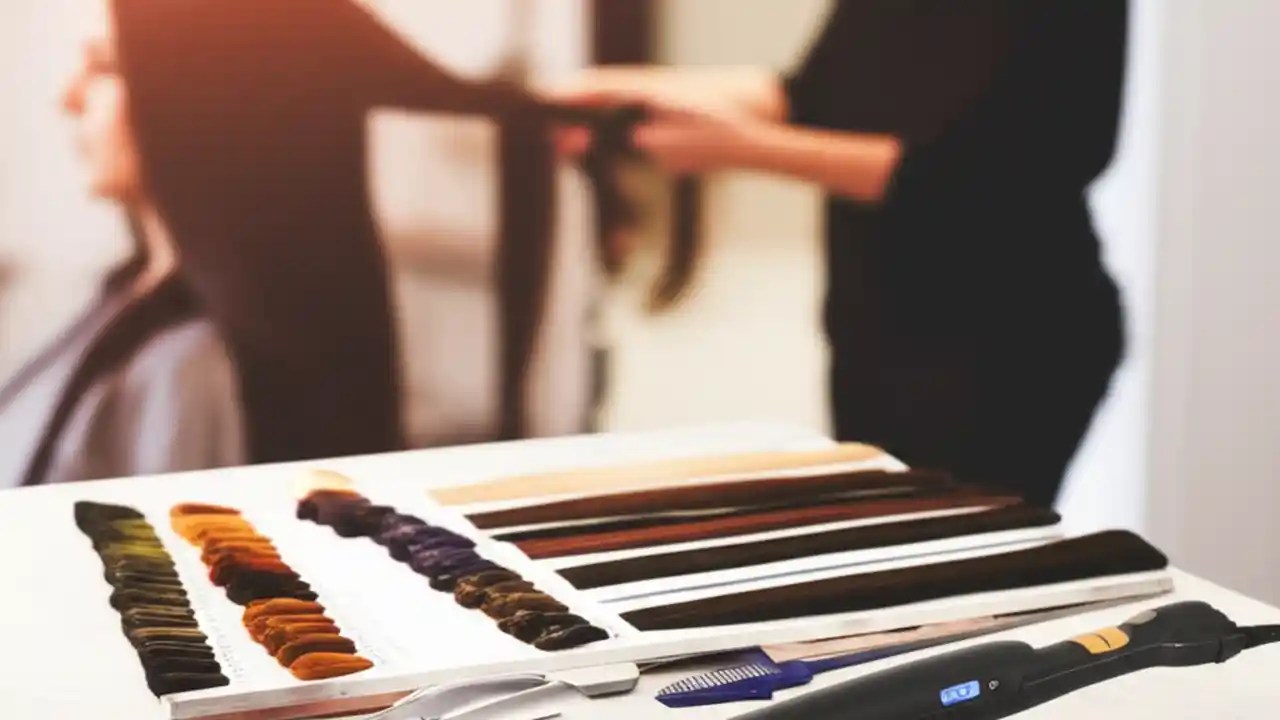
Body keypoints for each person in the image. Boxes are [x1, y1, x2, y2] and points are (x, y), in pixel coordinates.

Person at [554, 0, 1129, 506]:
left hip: (1010, 341)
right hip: (878, 323)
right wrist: (640, 91)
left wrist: (739, 148)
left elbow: (989, 174)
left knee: (953, 571)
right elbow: (812, 92)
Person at [0, 0, 410, 485]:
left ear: (201, 96)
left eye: (103, 66)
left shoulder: (192, 369)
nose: (69, 98)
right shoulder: (123, 297)